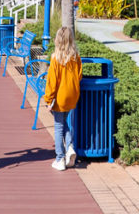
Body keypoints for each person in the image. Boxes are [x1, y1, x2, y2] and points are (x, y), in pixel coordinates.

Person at [44, 26, 82, 171]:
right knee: (64, 123)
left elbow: (52, 82)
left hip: (60, 96)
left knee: (58, 126)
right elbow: (79, 76)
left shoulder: (56, 58)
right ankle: (70, 148)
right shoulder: (76, 57)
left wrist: (48, 100)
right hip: (73, 95)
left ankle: (60, 158)